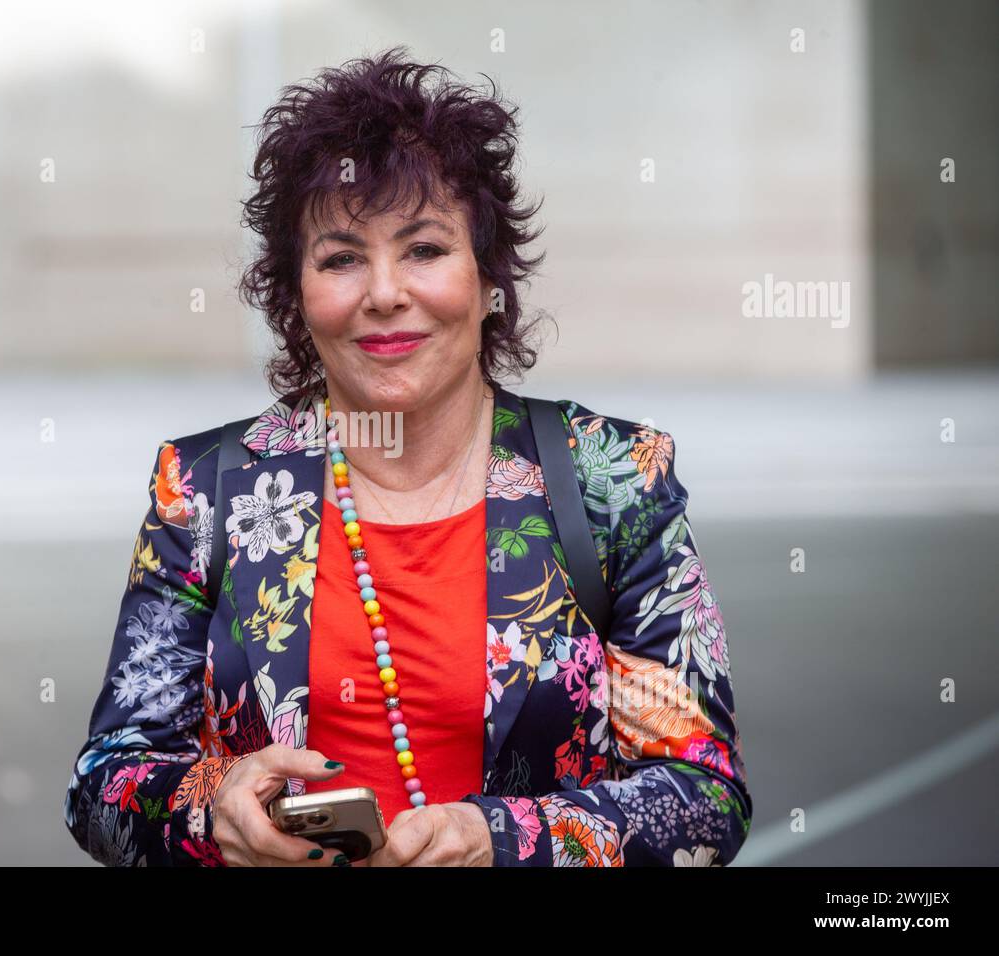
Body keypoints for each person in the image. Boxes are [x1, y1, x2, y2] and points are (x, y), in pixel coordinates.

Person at [63, 47, 752, 867]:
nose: (385, 292)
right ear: (296, 296)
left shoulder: (614, 478)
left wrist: (495, 838)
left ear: (488, 276)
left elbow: (703, 797)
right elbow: (104, 783)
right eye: (342, 258)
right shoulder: (206, 489)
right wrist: (213, 807)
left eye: (425, 249)